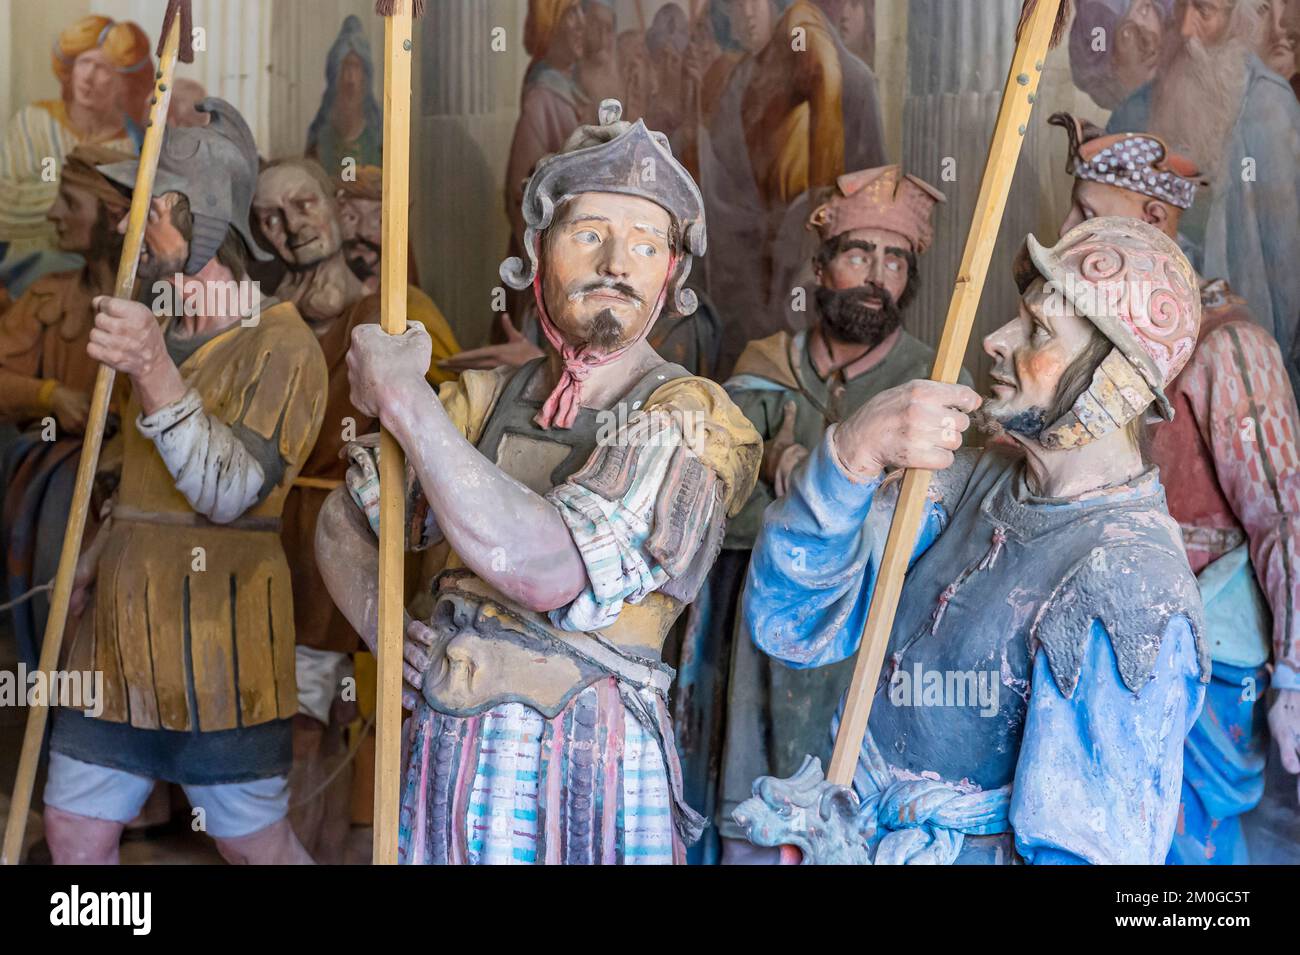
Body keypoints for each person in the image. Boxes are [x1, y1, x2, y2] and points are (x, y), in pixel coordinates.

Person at [316, 103, 761, 864]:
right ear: (535, 249)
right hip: (451, 756)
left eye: (646, 244)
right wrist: (385, 631)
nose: (617, 263)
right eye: (590, 235)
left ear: (672, 273)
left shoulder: (693, 418)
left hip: (591, 764)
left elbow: (547, 568)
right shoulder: (484, 401)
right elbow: (344, 520)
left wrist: (408, 401)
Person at [737, 217, 1208, 864]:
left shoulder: (1128, 586)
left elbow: (1089, 853)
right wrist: (852, 453)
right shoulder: (975, 477)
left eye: (1037, 330)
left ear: (1114, 379)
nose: (995, 340)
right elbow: (792, 618)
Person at [41, 99, 327, 865]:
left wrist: (152, 369)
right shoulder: (157, 326)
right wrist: (94, 562)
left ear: (188, 217)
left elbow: (228, 491)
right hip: (115, 643)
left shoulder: (282, 344)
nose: (127, 231)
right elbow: (138, 487)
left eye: (143, 211)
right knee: (74, 829)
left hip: (219, 644)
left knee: (251, 840)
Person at [1051, 112, 1300, 864]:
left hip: (1206, 652)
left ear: (1155, 218)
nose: (1066, 228)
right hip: (1100, 638)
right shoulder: (1089, 337)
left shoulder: (1231, 345)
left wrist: (1293, 674)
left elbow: (1285, 517)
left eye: (1087, 215)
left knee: (1188, 855)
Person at [711, 165, 968, 863]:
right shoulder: (766, 363)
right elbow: (717, 502)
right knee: (754, 814)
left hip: (868, 646)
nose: (876, 276)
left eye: (895, 259)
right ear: (821, 268)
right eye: (858, 254)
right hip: (755, 643)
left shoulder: (934, 382)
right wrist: (771, 467)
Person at [252, 157, 458, 861]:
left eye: (305, 203)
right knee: (300, 719)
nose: (293, 225)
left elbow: (447, 420)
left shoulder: (396, 312)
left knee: (369, 713)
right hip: (286, 547)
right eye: (271, 217)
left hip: (370, 539)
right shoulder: (267, 321)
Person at [1107, 0, 1300, 393]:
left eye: (1206, 11)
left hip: (1246, 371)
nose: (1187, 30)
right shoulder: (1133, 113)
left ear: (1238, 20)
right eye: (1182, 9)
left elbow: (1286, 275)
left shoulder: (1270, 107)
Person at [0, 145, 130, 667]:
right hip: (51, 483)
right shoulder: (45, 297)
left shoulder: (159, 299)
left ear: (114, 218)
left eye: (70, 203)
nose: (54, 214)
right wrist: (51, 397)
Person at [0, 15, 152, 295]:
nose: (89, 76)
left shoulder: (136, 144)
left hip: (102, 273)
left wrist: (43, 194)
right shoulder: (33, 122)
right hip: (25, 266)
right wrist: (88, 201)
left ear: (124, 81)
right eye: (83, 63)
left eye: (104, 68)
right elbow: (6, 207)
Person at [305, 16, 383, 175]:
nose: (350, 79)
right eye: (345, 66)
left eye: (356, 67)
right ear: (335, 75)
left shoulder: (378, 132)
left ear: (365, 76)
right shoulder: (319, 135)